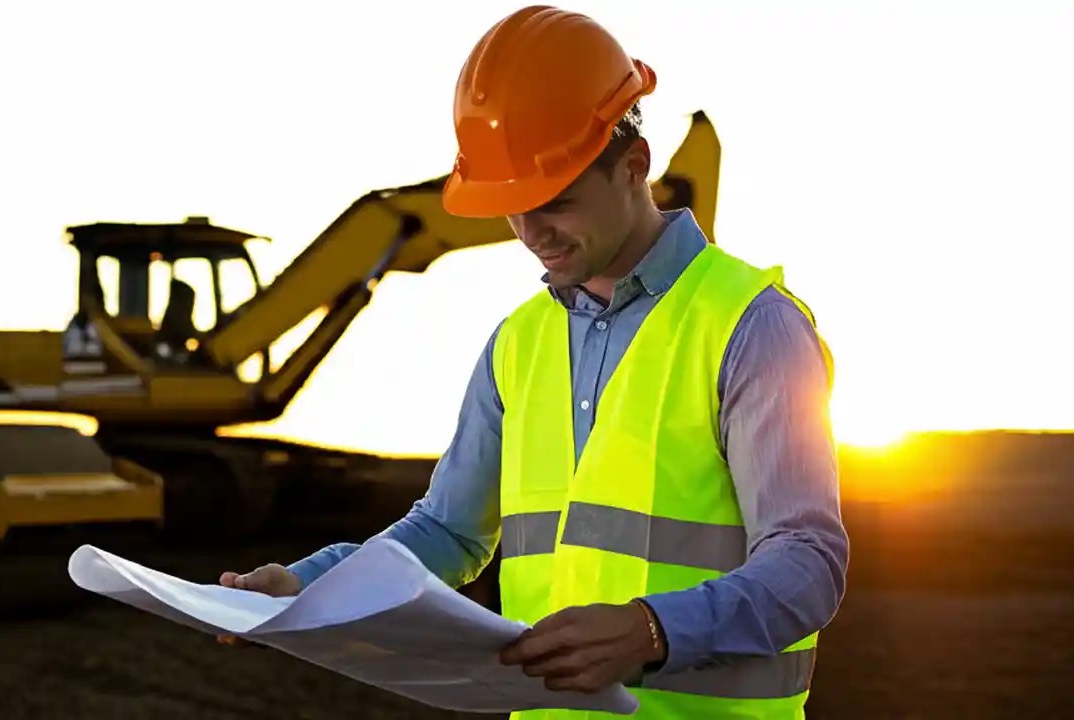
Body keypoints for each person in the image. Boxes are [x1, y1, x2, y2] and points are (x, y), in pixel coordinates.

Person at [218, 5, 848, 718]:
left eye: (556, 203)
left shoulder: (753, 326)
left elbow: (808, 564)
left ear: (634, 166)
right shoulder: (517, 343)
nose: (530, 233)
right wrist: (306, 588)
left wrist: (651, 631)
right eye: (512, 208)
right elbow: (449, 532)